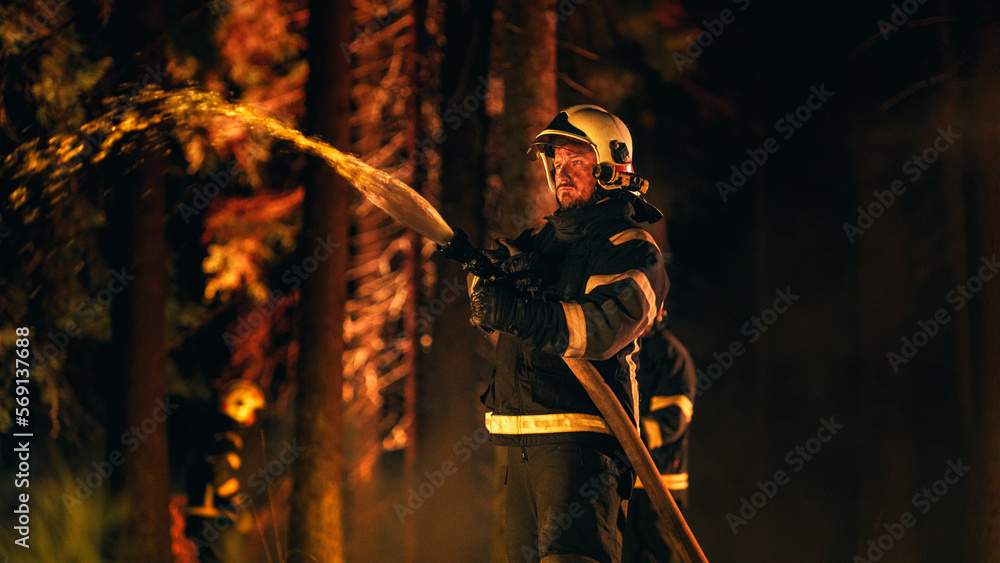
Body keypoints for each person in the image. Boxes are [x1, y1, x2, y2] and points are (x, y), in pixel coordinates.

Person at [446, 105, 669, 562]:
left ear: (610, 165)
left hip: (582, 451)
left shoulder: (631, 248)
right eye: (557, 161)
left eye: (576, 160)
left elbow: (598, 330)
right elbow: (488, 299)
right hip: (520, 445)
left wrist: (518, 312)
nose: (561, 172)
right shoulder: (541, 244)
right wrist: (483, 276)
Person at [623, 314, 696, 563]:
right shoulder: (625, 349)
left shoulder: (671, 356)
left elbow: (672, 420)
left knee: (659, 555)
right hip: (627, 481)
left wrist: (626, 437)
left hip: (661, 482)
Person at [185, 379, 265, 563]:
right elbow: (222, 478)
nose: (253, 417)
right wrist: (240, 505)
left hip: (205, 520)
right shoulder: (227, 438)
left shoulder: (215, 433)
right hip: (215, 520)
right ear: (238, 407)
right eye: (251, 411)